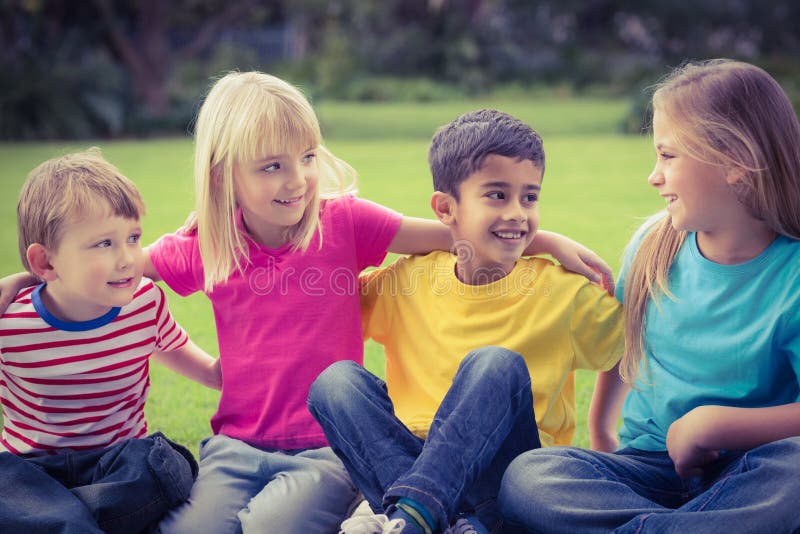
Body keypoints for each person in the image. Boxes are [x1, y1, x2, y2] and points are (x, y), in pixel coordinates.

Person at [0, 72, 611, 533]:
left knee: (266, 528)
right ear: (223, 176)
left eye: (307, 158)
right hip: (234, 447)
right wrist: (24, 285)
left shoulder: (344, 223)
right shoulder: (207, 245)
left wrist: (548, 240)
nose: (296, 179)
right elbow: (115, 269)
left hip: (325, 450)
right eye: (271, 166)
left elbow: (456, 234)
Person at [498, 59, 800, 533]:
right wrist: (600, 431)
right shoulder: (653, 246)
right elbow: (623, 349)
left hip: (750, 469)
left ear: (736, 163)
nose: (653, 176)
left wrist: (715, 425)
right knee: (530, 475)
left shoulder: (793, 275)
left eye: (669, 156)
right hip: (648, 466)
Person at [307, 109, 624, 534]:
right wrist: (243, 220)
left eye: (530, 197)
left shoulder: (565, 293)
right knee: (335, 383)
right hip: (409, 463)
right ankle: (426, 518)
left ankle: (411, 516)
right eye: (497, 195)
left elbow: (637, 342)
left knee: (494, 364)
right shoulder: (408, 280)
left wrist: (602, 426)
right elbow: (322, 298)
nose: (517, 212)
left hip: (506, 479)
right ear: (445, 208)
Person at [0, 149, 221, 534]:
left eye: (133, 238)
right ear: (46, 263)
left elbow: (210, 372)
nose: (128, 259)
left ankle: (63, 521)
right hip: (32, 470)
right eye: (104, 244)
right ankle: (69, 518)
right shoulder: (12, 324)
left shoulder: (145, 303)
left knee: (164, 465)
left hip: (119, 464)